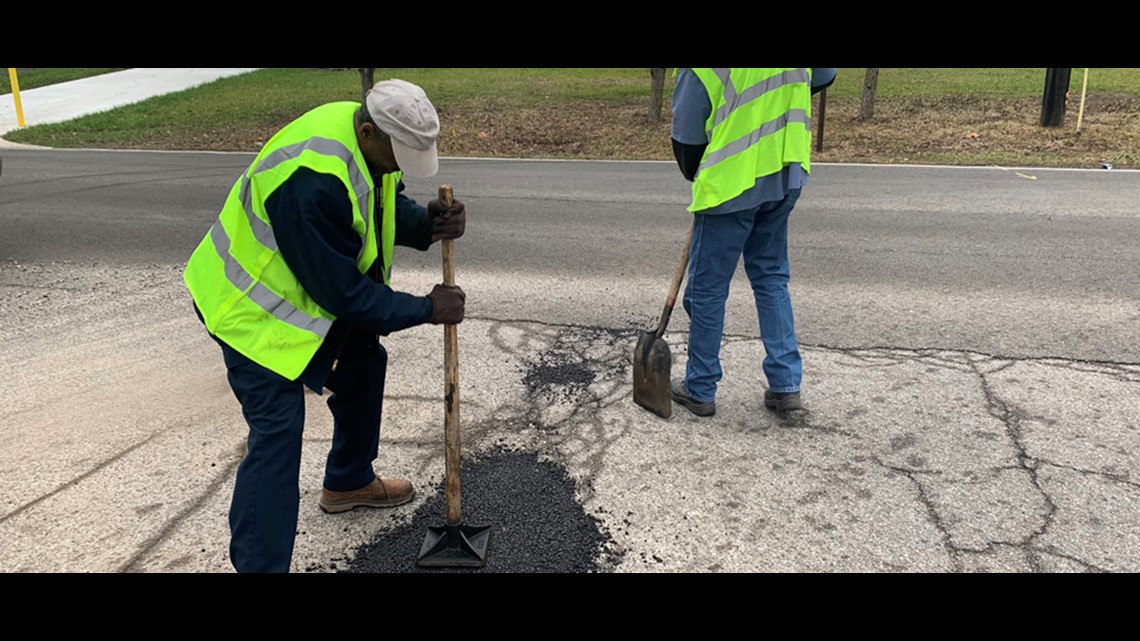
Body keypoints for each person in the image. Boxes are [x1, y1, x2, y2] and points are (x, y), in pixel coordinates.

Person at [182, 79, 468, 572]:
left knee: (362, 362)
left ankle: (348, 481)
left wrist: (426, 223)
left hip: (303, 293)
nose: (400, 166)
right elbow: (346, 296)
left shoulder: (363, 138)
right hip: (249, 310)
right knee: (278, 432)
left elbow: (380, 202)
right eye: (397, 154)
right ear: (367, 131)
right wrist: (427, 307)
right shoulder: (310, 182)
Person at [669, 68, 836, 417]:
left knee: (706, 289)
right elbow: (824, 76)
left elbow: (686, 138)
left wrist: (701, 173)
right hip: (785, 171)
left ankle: (700, 388)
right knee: (771, 276)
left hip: (732, 181)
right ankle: (786, 387)